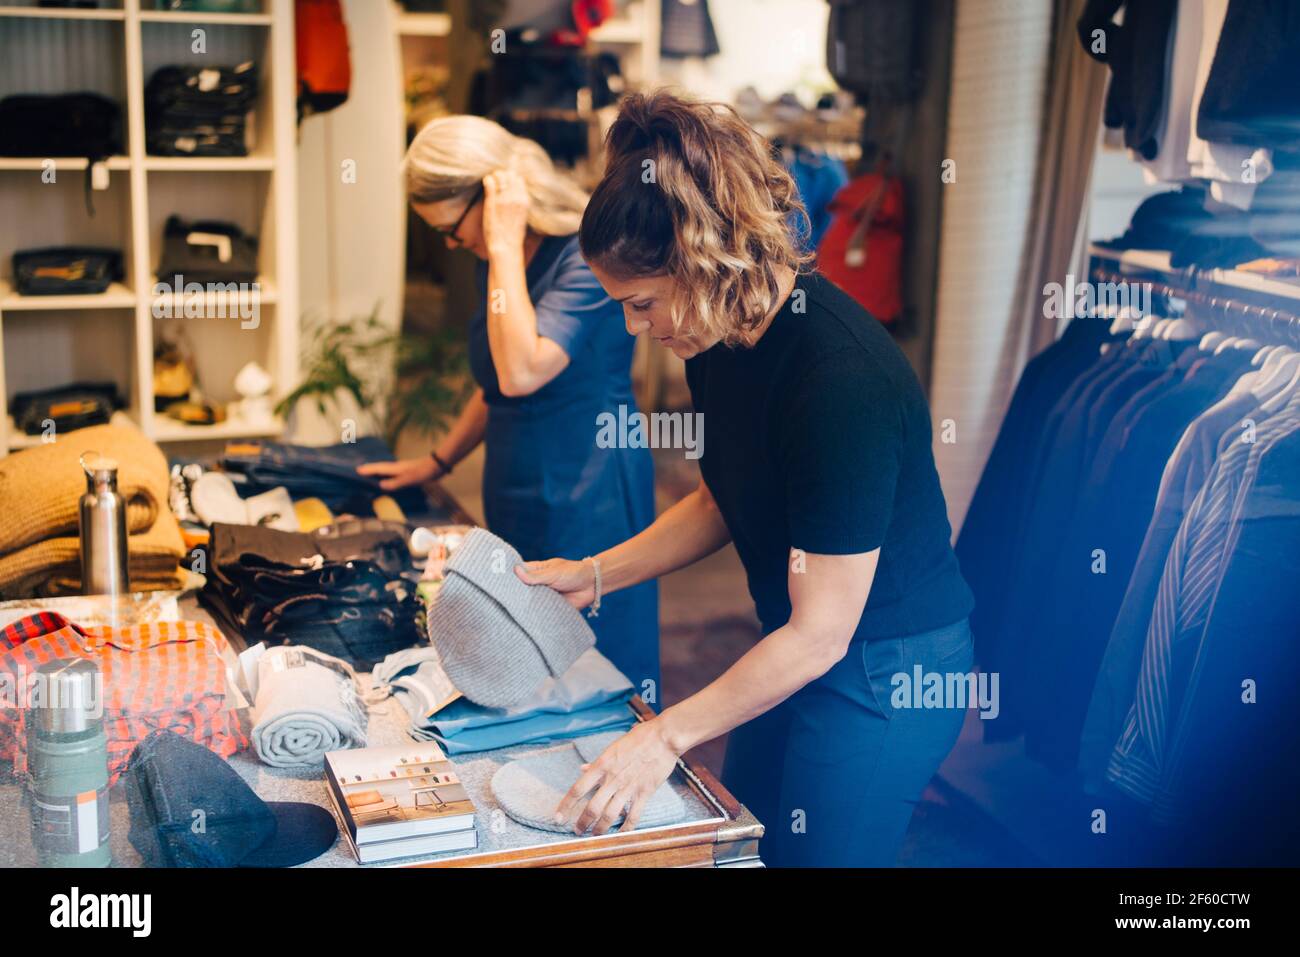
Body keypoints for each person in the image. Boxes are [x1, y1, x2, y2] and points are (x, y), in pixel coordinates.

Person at [516, 92, 976, 867]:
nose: (635, 328)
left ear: (698, 261)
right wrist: (593, 573)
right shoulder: (718, 337)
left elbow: (824, 631)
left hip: (886, 666)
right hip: (798, 639)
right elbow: (721, 497)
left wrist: (662, 732)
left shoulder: (837, 379)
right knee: (746, 835)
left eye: (641, 303)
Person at [359, 115, 659, 693]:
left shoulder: (585, 254)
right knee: (522, 656)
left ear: (493, 193)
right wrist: (437, 462)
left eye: (451, 227)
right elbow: (496, 379)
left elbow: (523, 370)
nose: (452, 243)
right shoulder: (495, 260)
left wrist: (499, 245)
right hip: (517, 480)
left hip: (589, 489)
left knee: (600, 673)